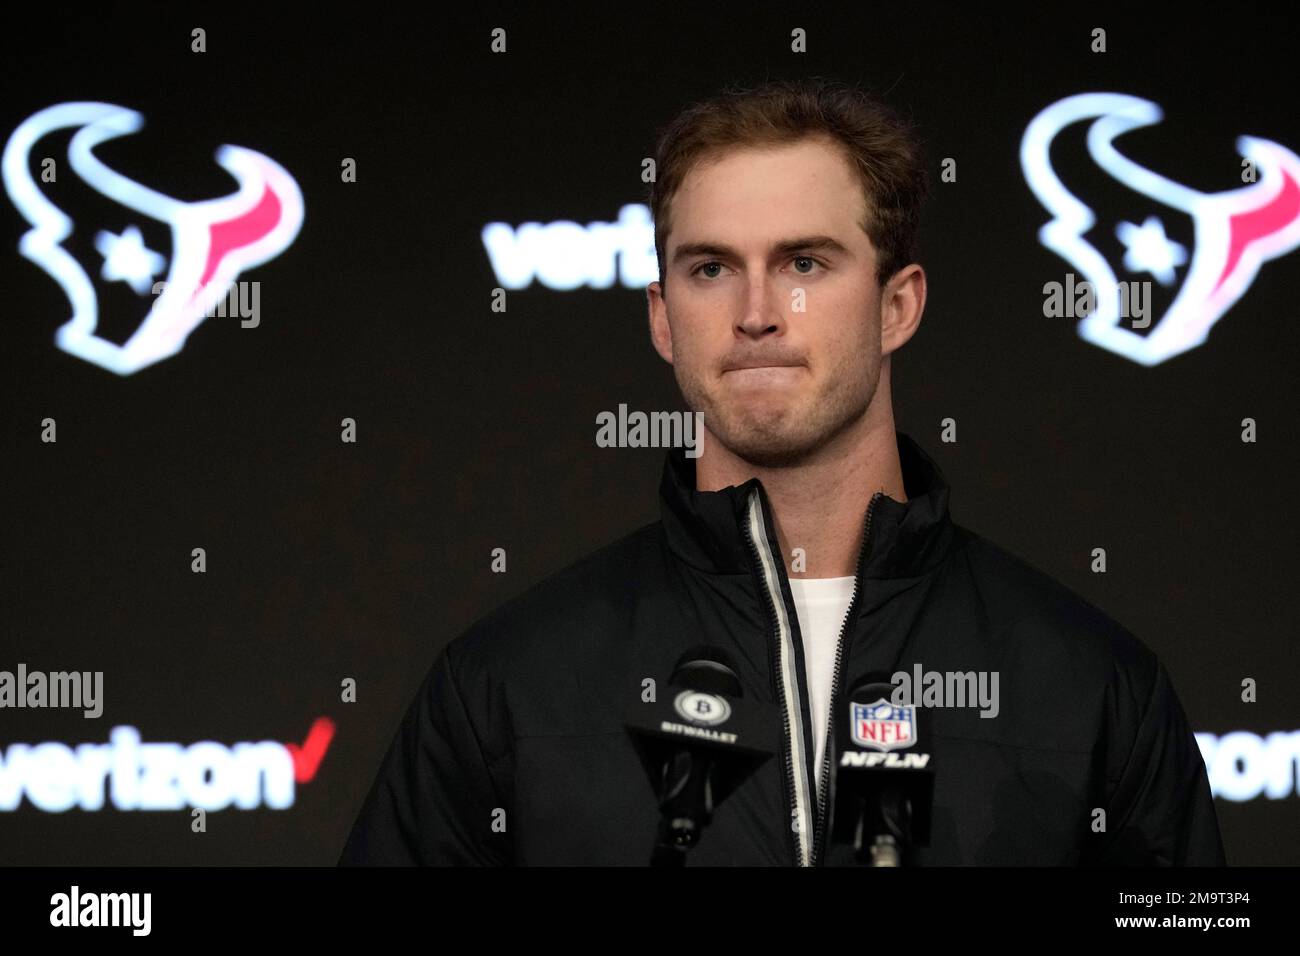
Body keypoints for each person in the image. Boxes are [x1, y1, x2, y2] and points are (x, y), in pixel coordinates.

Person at [339, 76, 1225, 866]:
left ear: (898, 305)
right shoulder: (504, 688)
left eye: (805, 262)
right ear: (661, 318)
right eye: (712, 268)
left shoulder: (1092, 687)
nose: (758, 312)